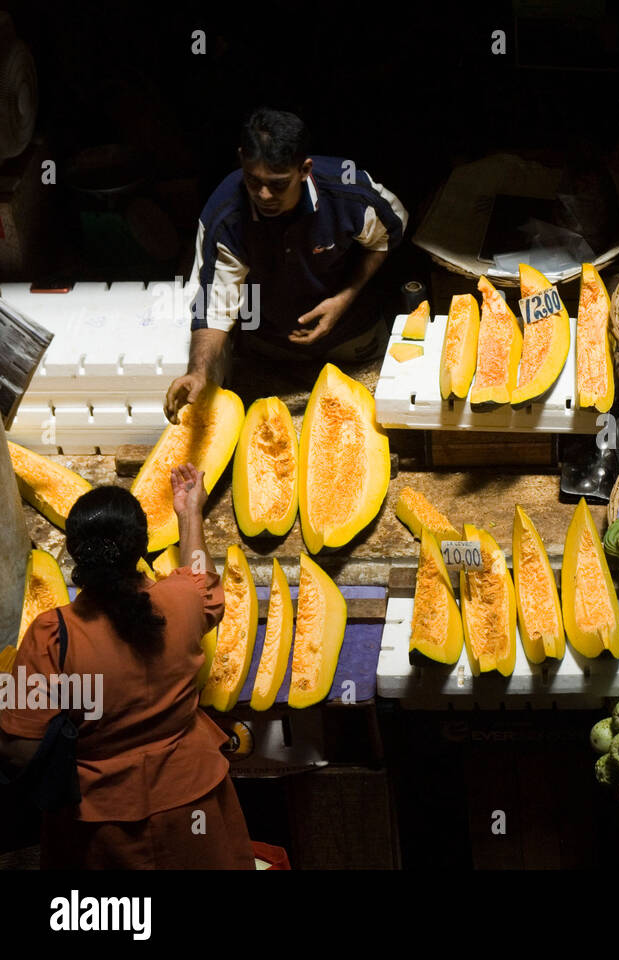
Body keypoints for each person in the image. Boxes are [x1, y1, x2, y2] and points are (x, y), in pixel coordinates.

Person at [0, 465, 254, 869]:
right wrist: (190, 513)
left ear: (74, 551)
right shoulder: (184, 599)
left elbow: (18, 750)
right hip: (194, 802)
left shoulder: (51, 633)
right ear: (142, 547)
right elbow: (203, 580)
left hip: (101, 822)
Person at [164, 107, 409, 422]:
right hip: (270, 348)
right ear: (242, 159)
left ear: (304, 169)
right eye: (254, 181)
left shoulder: (349, 192)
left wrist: (344, 298)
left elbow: (387, 236)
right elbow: (216, 307)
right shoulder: (226, 214)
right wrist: (198, 373)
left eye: (278, 184)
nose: (264, 195)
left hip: (354, 341)